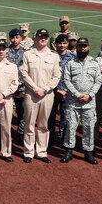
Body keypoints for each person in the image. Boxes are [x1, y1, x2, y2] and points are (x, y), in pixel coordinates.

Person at [19, 28, 60, 163]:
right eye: (40, 37)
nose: (43, 39)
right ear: (35, 38)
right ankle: (28, 152)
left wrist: (45, 88)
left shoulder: (53, 56)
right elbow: (23, 73)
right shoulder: (28, 54)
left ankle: (42, 151)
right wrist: (35, 88)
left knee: (43, 124)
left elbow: (56, 75)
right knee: (29, 124)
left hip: (47, 95)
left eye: (45, 37)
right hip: (31, 94)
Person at [61, 38, 102, 164]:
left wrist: (89, 95)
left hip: (89, 103)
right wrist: (77, 94)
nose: (82, 48)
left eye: (84, 46)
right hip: (73, 103)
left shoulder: (94, 63)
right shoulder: (70, 63)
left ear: (88, 48)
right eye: (80, 46)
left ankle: (88, 152)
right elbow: (66, 80)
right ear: (77, 47)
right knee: (70, 127)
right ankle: (69, 150)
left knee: (89, 128)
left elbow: (98, 81)